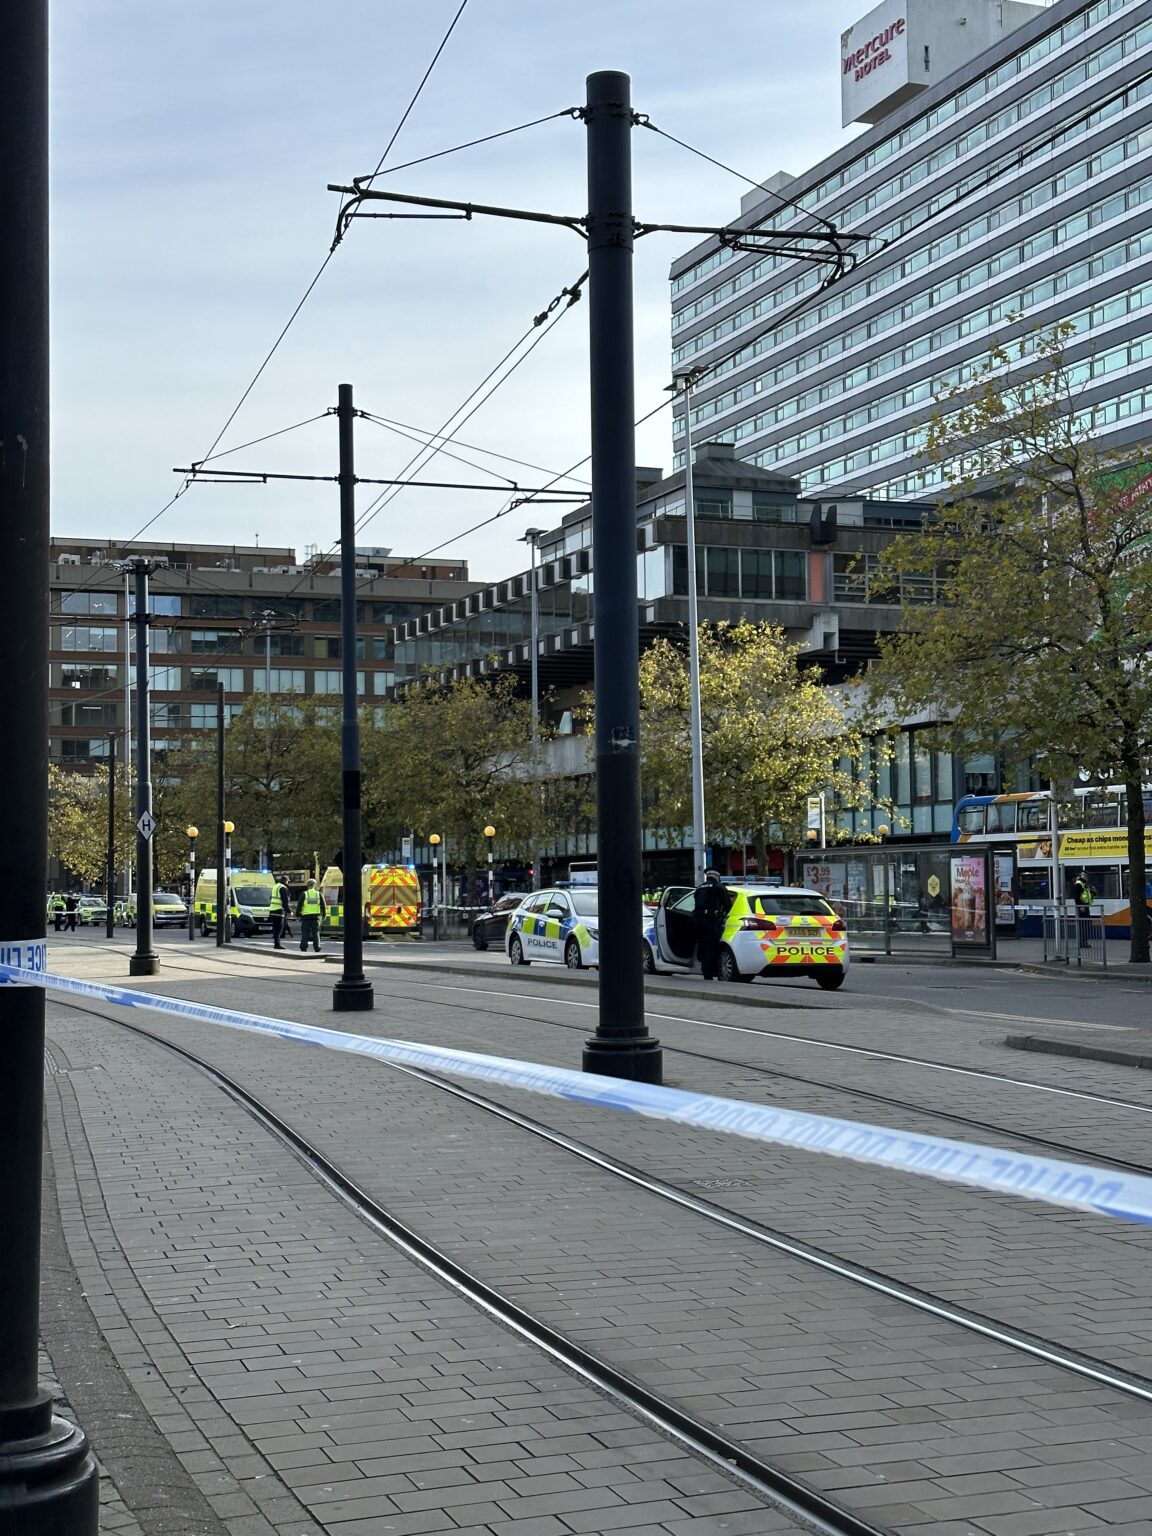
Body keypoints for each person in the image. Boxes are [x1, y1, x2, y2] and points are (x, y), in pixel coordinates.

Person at [692, 868, 730, 980]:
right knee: (711, 946)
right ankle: (709, 973)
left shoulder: (699, 888)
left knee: (702, 945)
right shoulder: (719, 887)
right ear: (717, 876)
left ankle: (705, 970)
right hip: (711, 921)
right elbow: (728, 906)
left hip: (698, 921)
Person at [297, 878, 325, 953]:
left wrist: (298, 914)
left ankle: (303, 947)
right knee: (316, 933)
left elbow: (299, 905)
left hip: (305, 917)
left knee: (305, 933)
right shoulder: (318, 894)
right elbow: (323, 906)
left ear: (307, 885)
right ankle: (317, 947)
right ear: (314, 885)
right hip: (315, 918)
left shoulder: (304, 894)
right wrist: (324, 915)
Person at [1072, 870, 1094, 949]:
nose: (1087, 878)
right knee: (1084, 925)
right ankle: (1082, 942)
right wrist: (1081, 906)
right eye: (1086, 876)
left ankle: (1084, 941)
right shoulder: (1079, 884)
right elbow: (1076, 897)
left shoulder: (1084, 885)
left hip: (1085, 906)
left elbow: (1086, 895)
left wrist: (1093, 892)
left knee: (1086, 925)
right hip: (1082, 907)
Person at [269, 874, 291, 950]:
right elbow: (285, 901)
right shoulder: (283, 888)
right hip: (279, 911)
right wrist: (289, 911)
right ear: (285, 881)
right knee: (279, 928)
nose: (288, 883)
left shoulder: (275, 886)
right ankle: (277, 944)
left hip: (272, 910)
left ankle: (276, 943)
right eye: (288, 881)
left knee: (275, 928)